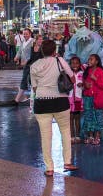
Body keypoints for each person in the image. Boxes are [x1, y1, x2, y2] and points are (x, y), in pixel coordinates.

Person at [29, 39, 78, 176]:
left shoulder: (34, 66)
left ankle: (49, 168)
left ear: (41, 51)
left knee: (46, 136)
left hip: (42, 102)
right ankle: (67, 162)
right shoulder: (60, 61)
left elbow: (34, 87)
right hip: (60, 101)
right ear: (54, 51)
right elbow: (73, 78)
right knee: (65, 132)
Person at [82, 53, 103, 145]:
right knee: (88, 116)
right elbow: (83, 82)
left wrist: (95, 79)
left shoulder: (100, 71)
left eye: (91, 59)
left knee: (98, 116)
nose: (89, 61)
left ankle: (97, 136)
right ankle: (90, 136)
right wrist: (85, 85)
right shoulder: (87, 71)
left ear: (96, 61)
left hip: (97, 98)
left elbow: (102, 86)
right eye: (89, 59)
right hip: (87, 97)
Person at [68, 56, 84, 144]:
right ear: (70, 64)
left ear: (80, 64)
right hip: (69, 99)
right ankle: (71, 136)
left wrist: (82, 84)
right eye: (73, 63)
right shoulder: (68, 74)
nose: (75, 65)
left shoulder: (82, 73)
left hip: (78, 99)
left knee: (77, 117)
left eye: (77, 63)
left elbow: (85, 85)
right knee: (70, 118)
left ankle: (77, 136)